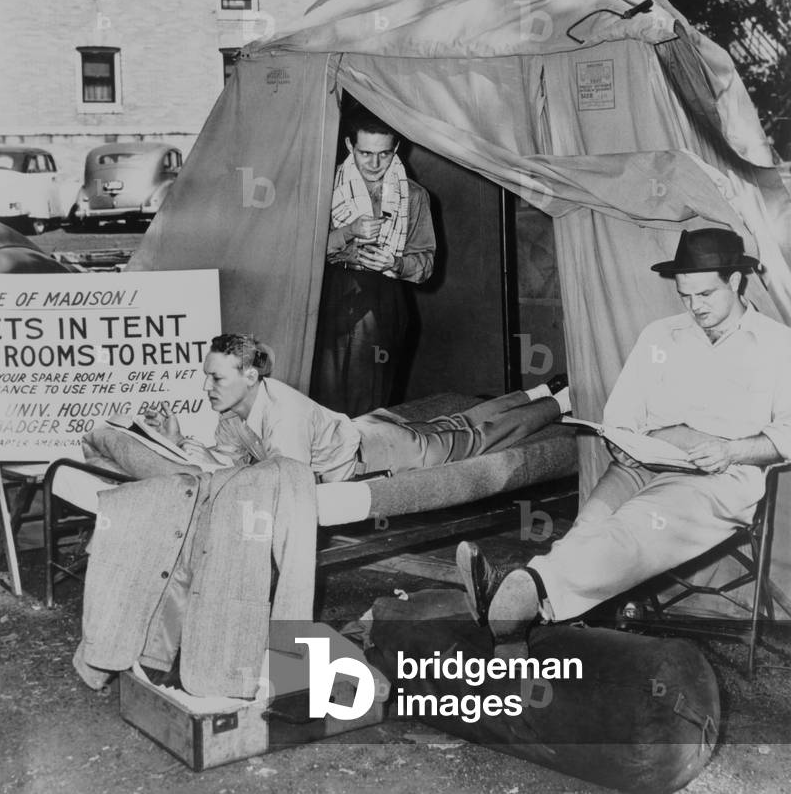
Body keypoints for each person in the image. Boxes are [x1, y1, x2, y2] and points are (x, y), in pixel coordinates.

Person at [457, 228, 791, 649]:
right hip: (642, 463)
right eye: (685, 296)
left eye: (705, 294)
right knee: (589, 528)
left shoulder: (777, 345)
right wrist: (620, 442)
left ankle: (522, 591)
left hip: (718, 476)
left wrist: (731, 450)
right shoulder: (660, 335)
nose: (694, 307)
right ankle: (522, 619)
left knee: (630, 530)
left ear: (736, 281)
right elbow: (623, 411)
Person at [82, 333, 571, 483]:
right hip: (363, 430)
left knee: (475, 438)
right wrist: (176, 440)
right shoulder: (232, 412)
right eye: (207, 375)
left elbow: (287, 483)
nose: (206, 385)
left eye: (216, 377)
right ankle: (535, 392)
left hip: (381, 449)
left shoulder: (282, 413)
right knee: (457, 421)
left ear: (250, 376)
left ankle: (555, 402)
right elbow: (227, 460)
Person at [309, 100, 436, 416]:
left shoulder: (415, 196)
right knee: (322, 397)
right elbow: (299, 252)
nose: (375, 163)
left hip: (385, 296)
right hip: (330, 291)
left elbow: (426, 264)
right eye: (365, 153)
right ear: (348, 144)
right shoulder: (322, 188)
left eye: (384, 154)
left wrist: (397, 264)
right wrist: (348, 231)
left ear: (397, 148)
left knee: (373, 397)